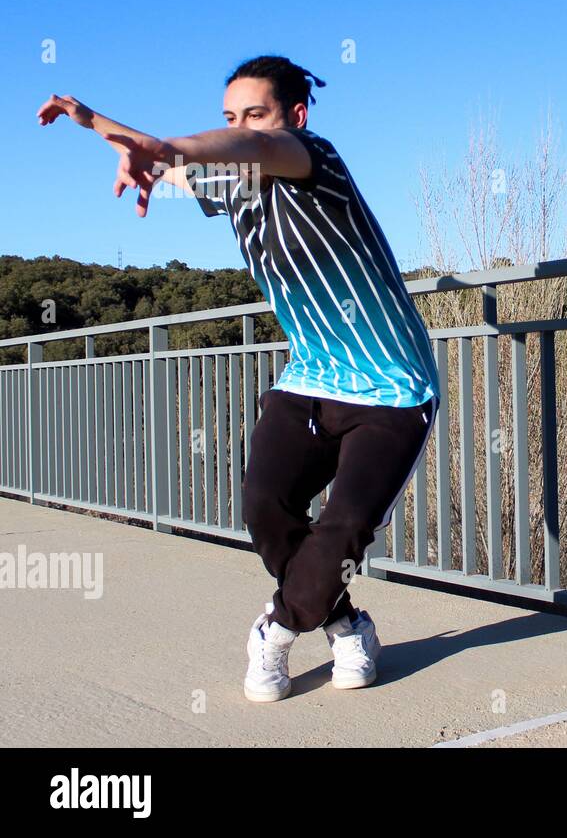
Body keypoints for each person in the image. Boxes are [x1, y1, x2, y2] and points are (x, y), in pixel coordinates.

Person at [36, 55, 441, 702]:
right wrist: (91, 122)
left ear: (296, 118)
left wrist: (172, 145)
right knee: (262, 504)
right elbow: (163, 158)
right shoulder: (232, 185)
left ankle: (276, 628)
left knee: (341, 531)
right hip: (310, 377)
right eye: (228, 117)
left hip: (392, 388)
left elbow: (249, 147)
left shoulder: (319, 164)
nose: (242, 127)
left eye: (256, 112)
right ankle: (344, 621)